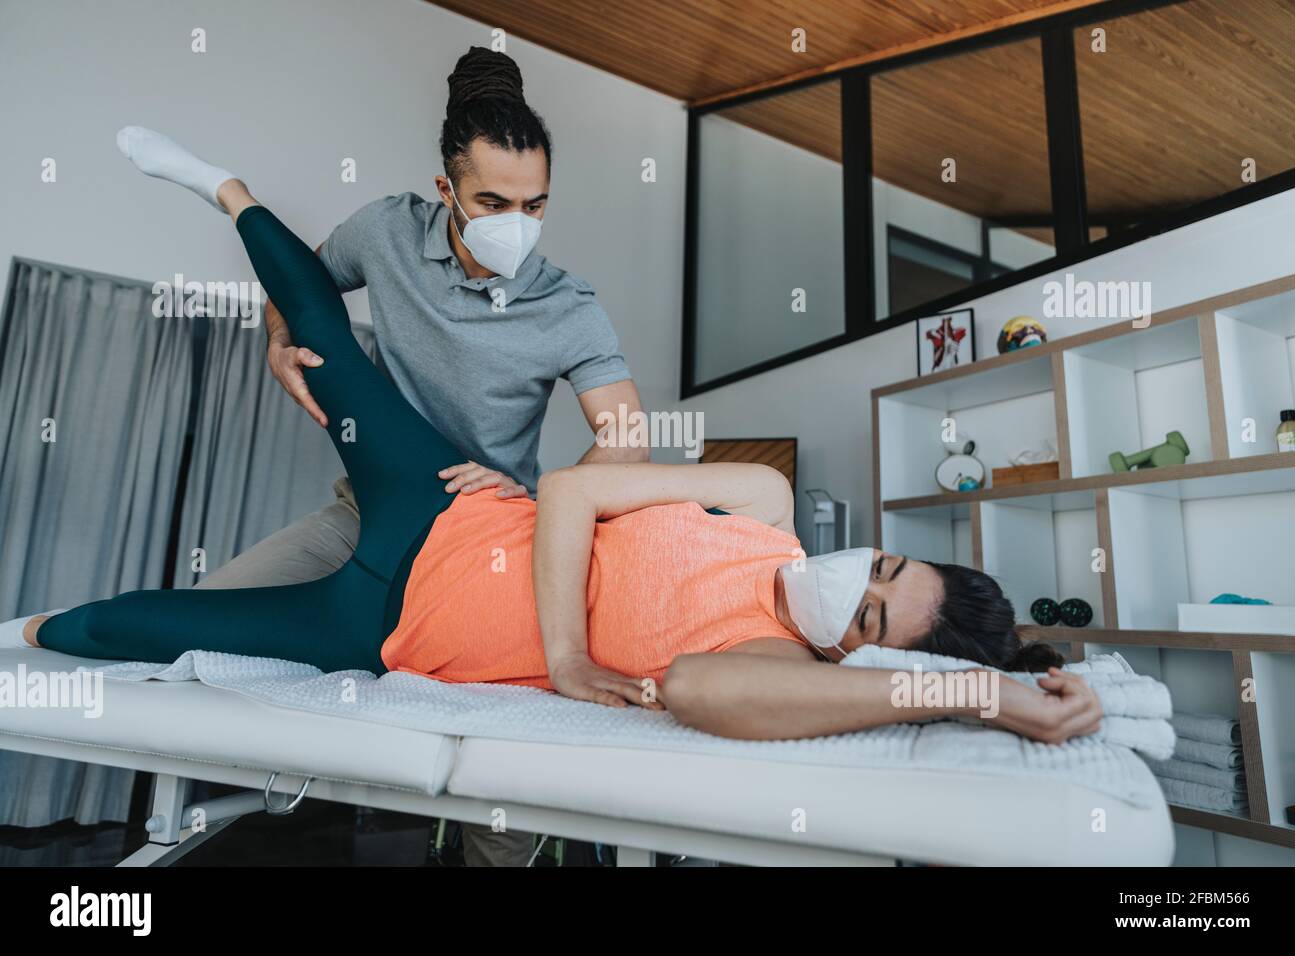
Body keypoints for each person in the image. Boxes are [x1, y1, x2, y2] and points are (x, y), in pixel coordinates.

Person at [25, 129, 1103, 759]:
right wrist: (573, 652)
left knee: (133, 624)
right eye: (879, 565)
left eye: (867, 615)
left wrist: (979, 691)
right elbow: (574, 490)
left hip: (387, 624)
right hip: (446, 502)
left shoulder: (773, 665)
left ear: (861, 656)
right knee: (325, 345)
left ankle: (16, 633)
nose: (848, 584)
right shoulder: (763, 511)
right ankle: (223, 186)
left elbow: (689, 689)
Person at [194, 47, 648, 865]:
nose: (519, 223)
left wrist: (541, 498)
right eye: (494, 201)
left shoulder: (568, 307)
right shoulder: (385, 233)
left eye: (536, 205)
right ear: (445, 189)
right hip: (365, 509)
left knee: (502, 820)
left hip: (492, 545)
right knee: (210, 626)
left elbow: (628, 442)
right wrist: (277, 339)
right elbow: (300, 286)